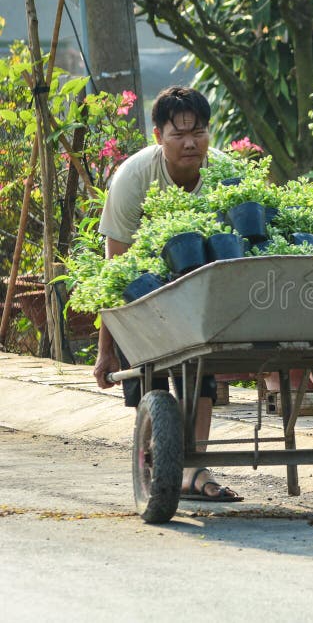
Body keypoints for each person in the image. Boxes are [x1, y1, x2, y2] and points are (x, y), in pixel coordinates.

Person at [93, 86, 241, 501]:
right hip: (146, 297)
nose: (190, 143)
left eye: (199, 132)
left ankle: (194, 470)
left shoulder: (225, 176)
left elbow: (249, 251)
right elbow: (116, 270)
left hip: (205, 297)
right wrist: (106, 349)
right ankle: (159, 461)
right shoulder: (133, 179)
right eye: (178, 134)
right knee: (150, 374)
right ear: (158, 136)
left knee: (202, 373)